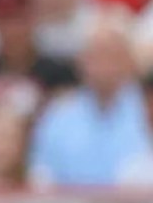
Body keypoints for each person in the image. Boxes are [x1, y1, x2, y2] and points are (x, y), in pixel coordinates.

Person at [30, 17, 151, 185]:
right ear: (81, 62)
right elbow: (42, 179)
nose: (104, 65)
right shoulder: (58, 114)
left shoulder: (147, 110)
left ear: (130, 61)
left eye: (113, 55)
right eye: (95, 56)